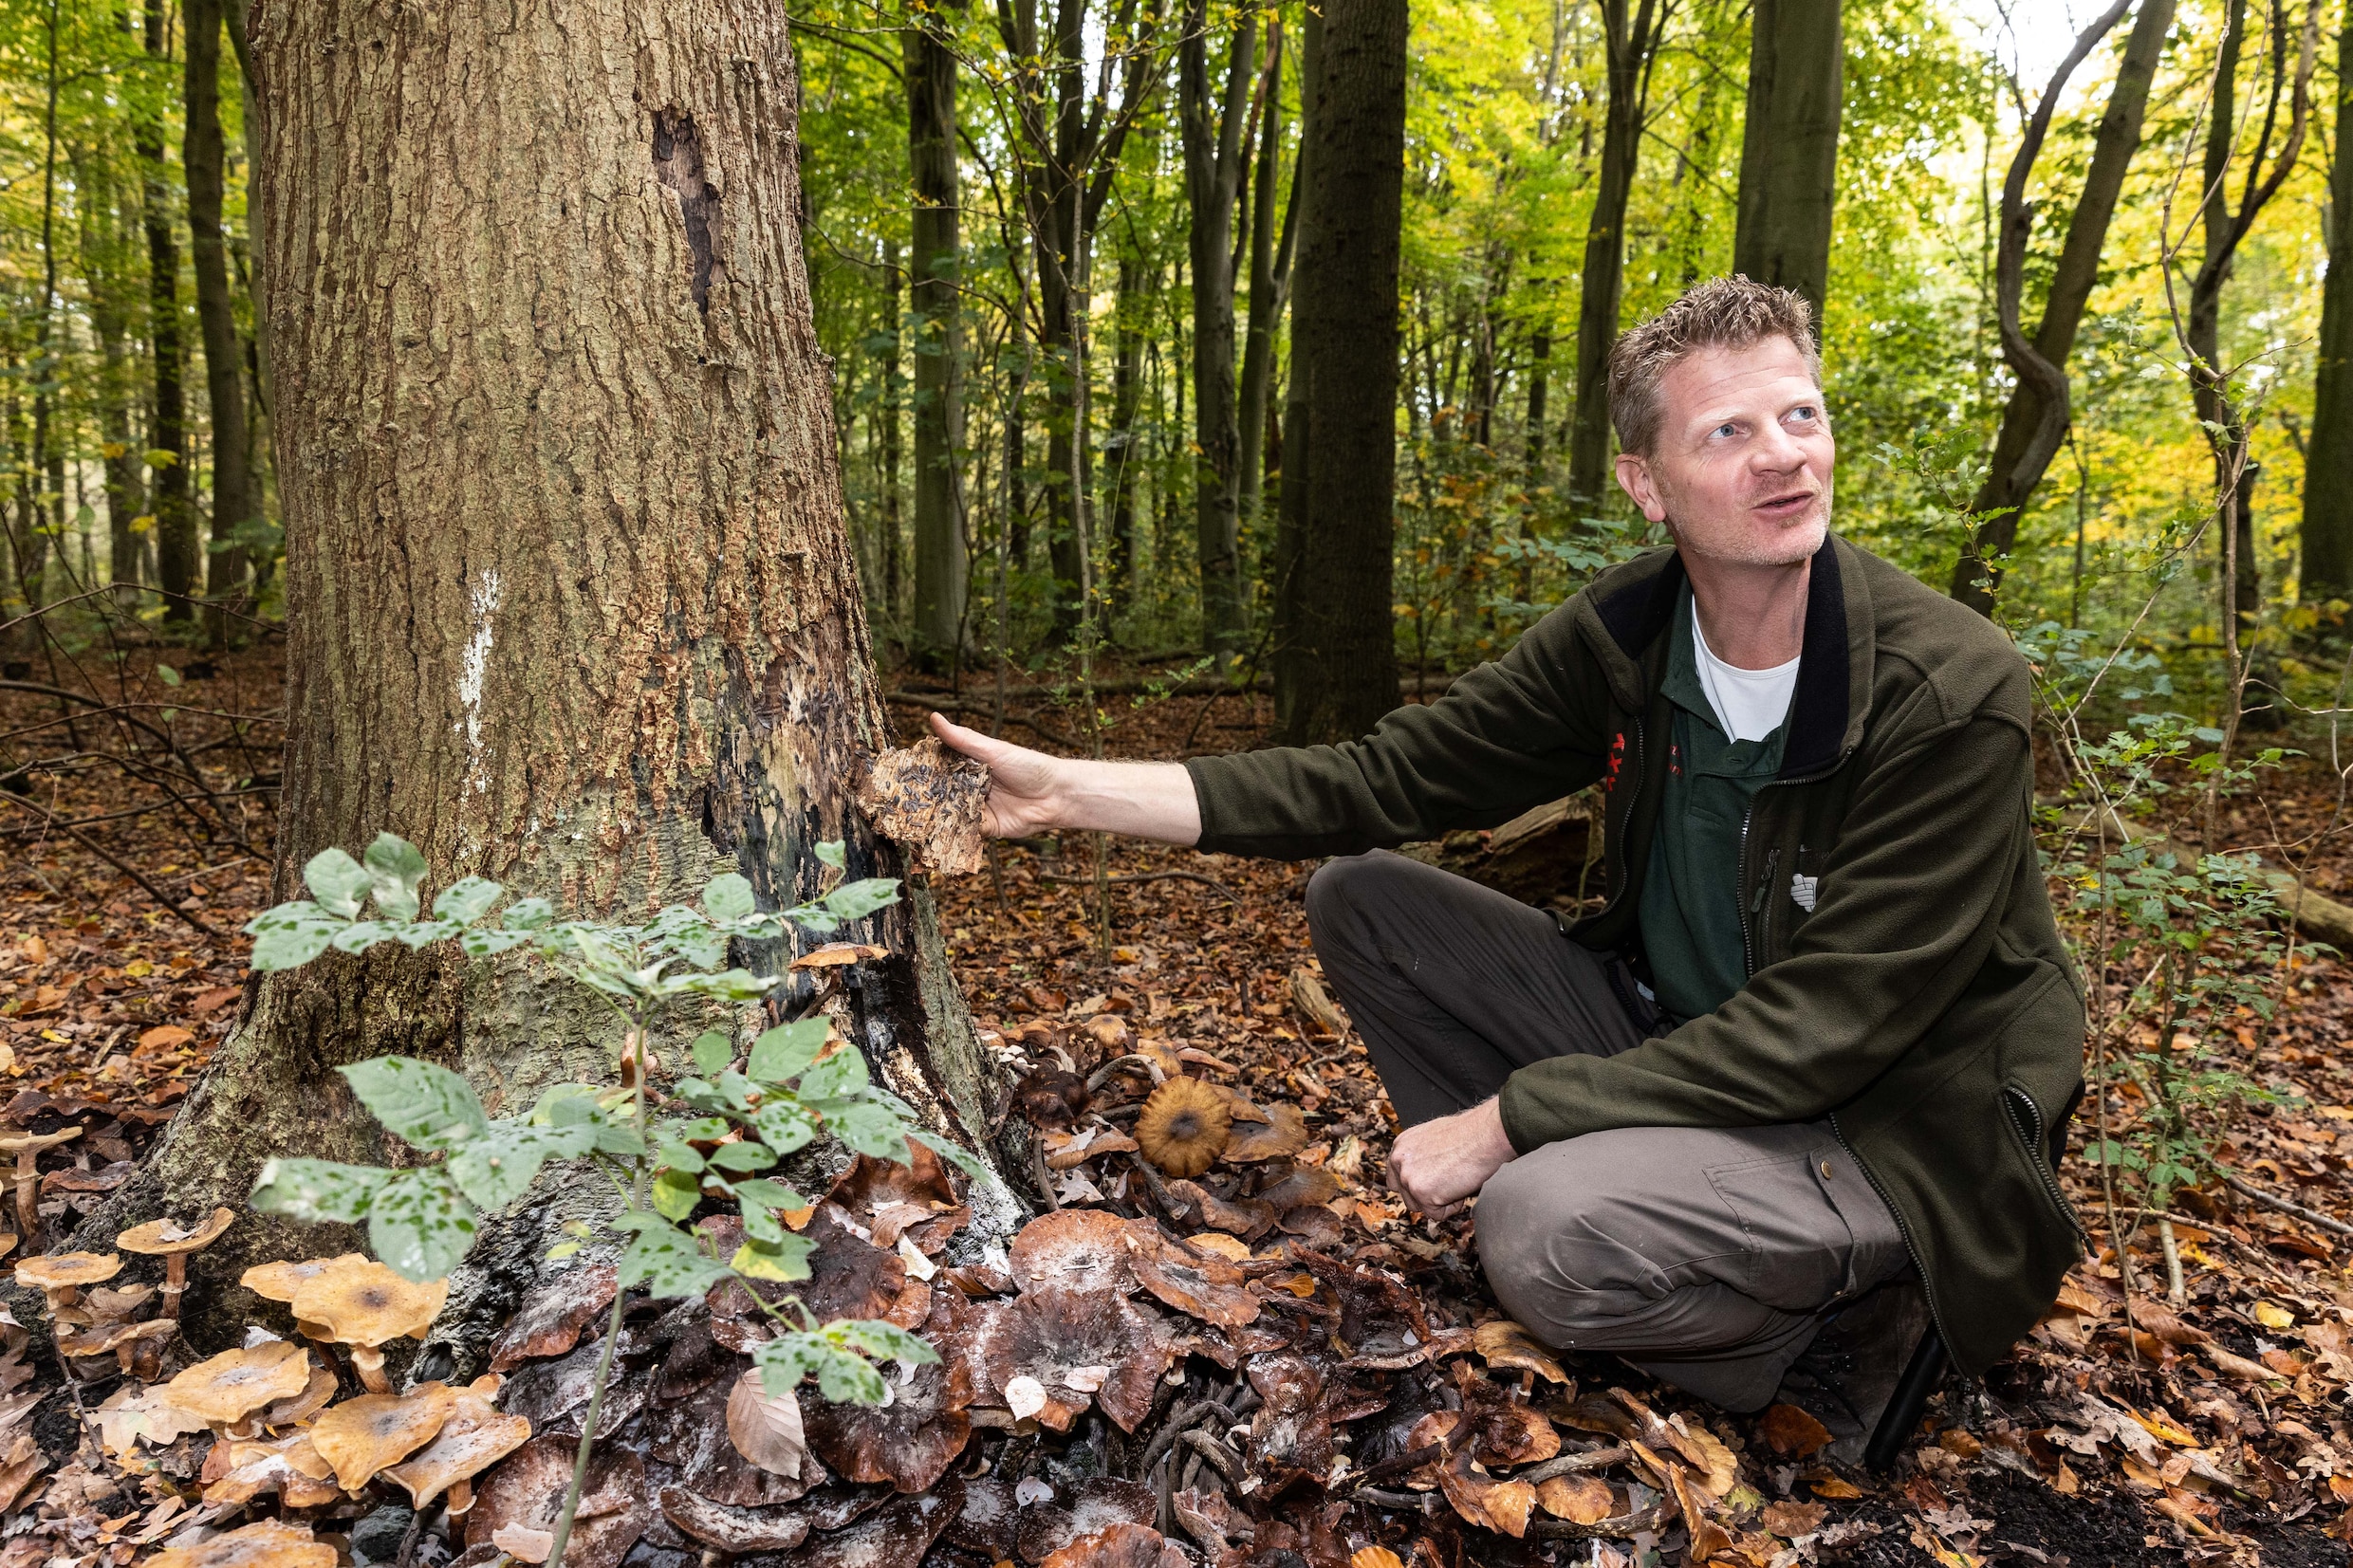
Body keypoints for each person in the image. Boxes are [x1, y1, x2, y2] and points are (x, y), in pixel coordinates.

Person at [929, 276, 2085, 1456]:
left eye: (1799, 417)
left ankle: (1819, 1341)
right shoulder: (1629, 638)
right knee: (1367, 900)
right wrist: (1071, 791)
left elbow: (1824, 1031)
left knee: (1533, 1224)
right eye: (1726, 432)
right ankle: (1650, 1234)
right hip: (1687, 1057)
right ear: (1645, 483)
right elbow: (1379, 781)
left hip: (1892, 1132)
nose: (1782, 460)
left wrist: (1508, 1123)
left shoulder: (1947, 691)